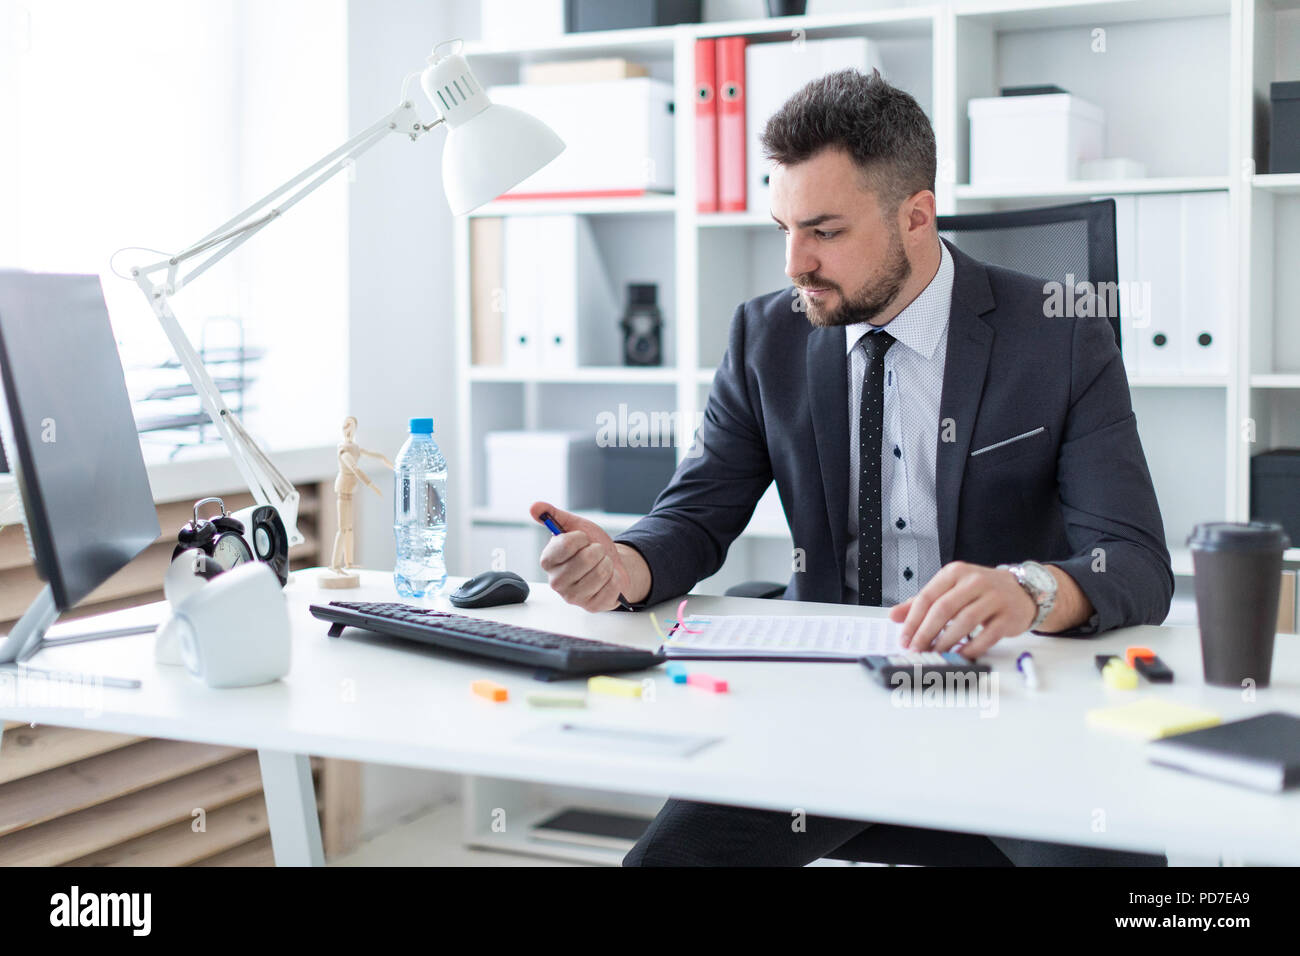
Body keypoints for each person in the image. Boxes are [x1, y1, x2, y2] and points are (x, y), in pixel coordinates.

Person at [531, 69, 1173, 866]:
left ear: (916, 216)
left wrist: (1029, 588)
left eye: (825, 232)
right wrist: (621, 565)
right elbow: (694, 516)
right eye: (783, 228)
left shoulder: (1059, 336)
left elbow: (1137, 562)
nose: (795, 262)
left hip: (1011, 698)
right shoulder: (765, 337)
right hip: (824, 708)